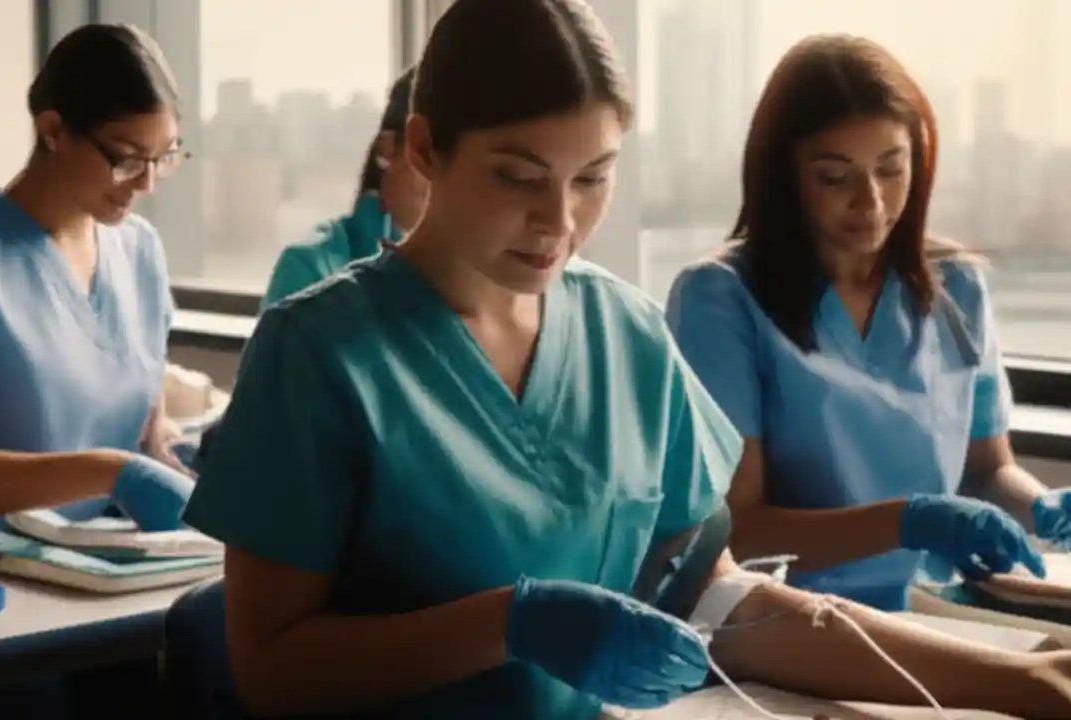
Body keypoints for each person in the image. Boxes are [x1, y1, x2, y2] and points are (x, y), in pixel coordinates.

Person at [185, 3, 1071, 718]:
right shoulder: (318, 353)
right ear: (424, 150)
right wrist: (510, 623)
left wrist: (1021, 683)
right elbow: (273, 670)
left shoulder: (626, 333)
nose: (559, 222)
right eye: (518, 175)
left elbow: (726, 604)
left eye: (592, 177)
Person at [665, 33, 1071, 613]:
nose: (872, 202)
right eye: (836, 177)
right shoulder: (719, 300)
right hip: (785, 619)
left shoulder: (957, 287)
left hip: (935, 604)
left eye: (891, 169)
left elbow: (987, 469)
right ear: (784, 175)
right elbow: (737, 531)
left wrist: (1042, 509)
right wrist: (907, 522)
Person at [0, 24, 194, 532]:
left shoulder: (140, 251)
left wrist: (179, 456)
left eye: (165, 158)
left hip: (101, 555)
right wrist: (111, 472)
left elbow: (146, 436)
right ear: (52, 131)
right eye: (127, 159)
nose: (148, 184)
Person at [261, 66, 428, 309]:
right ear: (387, 148)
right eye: (431, 151)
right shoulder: (310, 271)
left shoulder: (488, 285)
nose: (451, 182)